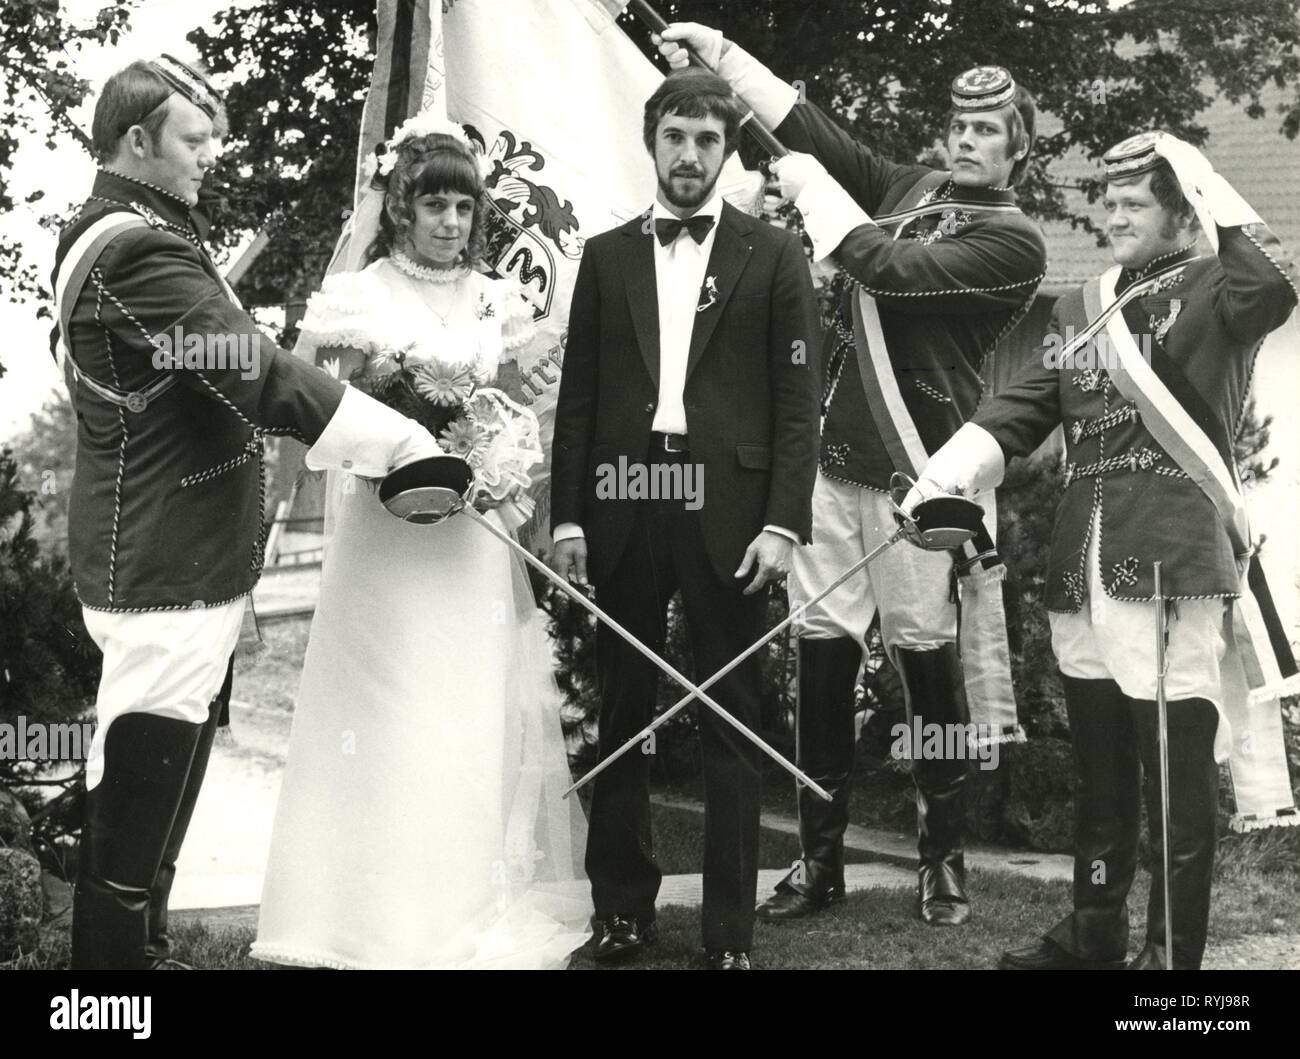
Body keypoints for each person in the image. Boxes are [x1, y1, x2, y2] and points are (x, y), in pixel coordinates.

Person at [59, 56, 444, 970]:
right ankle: (106, 1003)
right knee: (129, 827)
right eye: (196, 141)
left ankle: (142, 965)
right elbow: (257, 372)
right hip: (161, 568)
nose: (211, 159)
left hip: (184, 558)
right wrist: (402, 445)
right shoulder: (134, 247)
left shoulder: (149, 233)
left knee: (159, 806)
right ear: (137, 141)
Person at [657, 24, 1046, 926]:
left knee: (925, 663)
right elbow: (810, 128)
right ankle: (818, 856)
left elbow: (891, 269)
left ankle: (942, 857)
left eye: (986, 130)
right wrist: (719, 50)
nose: (963, 139)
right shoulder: (912, 185)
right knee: (822, 657)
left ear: (1018, 148)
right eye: (957, 124)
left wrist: (816, 197)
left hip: (919, 470)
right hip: (833, 462)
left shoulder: (1015, 240)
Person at [909, 132, 1298, 969]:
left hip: (1166, 563)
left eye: (1135, 204)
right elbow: (1026, 404)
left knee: (1173, 783)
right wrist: (944, 474)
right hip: (1080, 566)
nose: (1113, 216)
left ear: (1180, 212)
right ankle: (1093, 932)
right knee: (1103, 772)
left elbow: (1274, 286)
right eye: (1109, 203)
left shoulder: (1218, 286)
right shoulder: (1082, 306)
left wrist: (1203, 175)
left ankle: (1169, 958)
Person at [250, 119, 592, 970]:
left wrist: (503, 461)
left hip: (470, 542)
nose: (448, 220)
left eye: (462, 204)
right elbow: (315, 411)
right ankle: (363, 916)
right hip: (386, 540)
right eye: (431, 202)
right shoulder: (359, 297)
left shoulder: (497, 302)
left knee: (466, 717)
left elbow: (517, 414)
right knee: (381, 715)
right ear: (399, 207)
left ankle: (461, 914)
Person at [549, 68, 821, 971]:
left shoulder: (776, 255)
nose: (691, 153)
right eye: (676, 135)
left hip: (732, 514)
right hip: (625, 499)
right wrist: (568, 519)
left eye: (709, 138)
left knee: (734, 720)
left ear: (728, 148)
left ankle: (728, 936)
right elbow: (577, 403)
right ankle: (622, 915)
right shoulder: (606, 255)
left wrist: (783, 522)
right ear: (652, 142)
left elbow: (796, 403)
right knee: (622, 710)